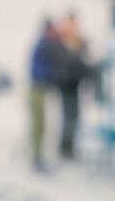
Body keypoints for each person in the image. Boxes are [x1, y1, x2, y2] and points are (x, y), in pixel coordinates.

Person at [28, 19, 65, 172]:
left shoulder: (47, 45)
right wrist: (52, 74)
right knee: (38, 125)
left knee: (41, 125)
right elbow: (37, 71)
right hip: (37, 90)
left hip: (40, 90)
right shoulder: (43, 46)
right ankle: (36, 156)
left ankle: (38, 155)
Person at [57, 12, 91, 160]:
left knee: (74, 116)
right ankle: (65, 147)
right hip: (66, 84)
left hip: (75, 84)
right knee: (68, 116)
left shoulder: (79, 41)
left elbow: (84, 61)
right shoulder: (61, 41)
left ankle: (70, 146)